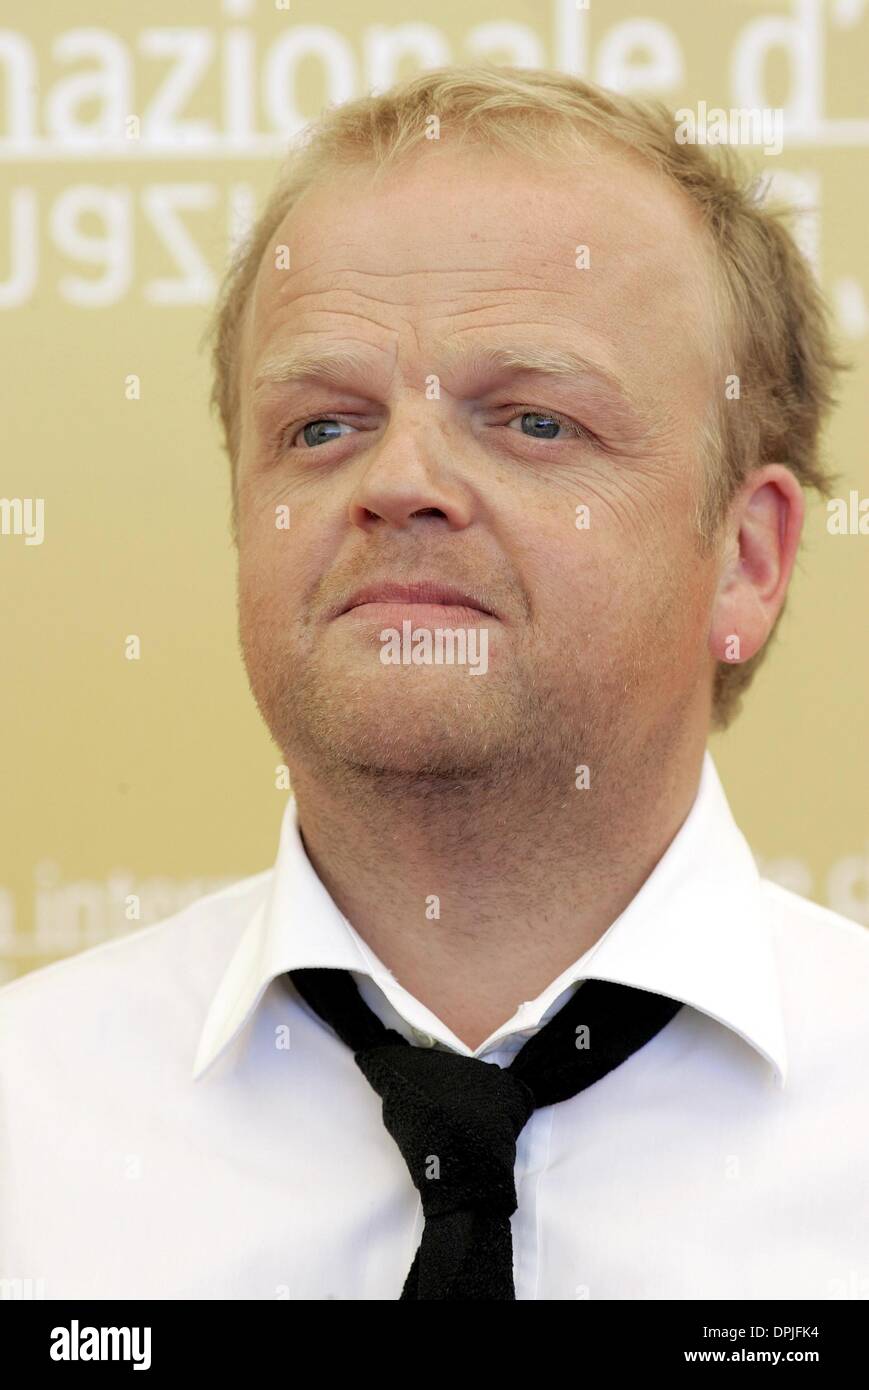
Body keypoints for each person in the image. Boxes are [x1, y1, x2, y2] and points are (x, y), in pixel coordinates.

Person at [1, 65, 865, 1302]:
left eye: (530, 421)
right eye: (321, 425)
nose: (397, 479)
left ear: (743, 560)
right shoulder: (23, 1133)